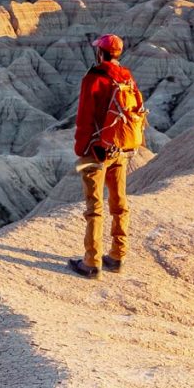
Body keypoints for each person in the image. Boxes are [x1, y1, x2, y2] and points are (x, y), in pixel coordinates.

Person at [69, 33, 139, 278]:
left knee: (94, 207)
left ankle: (91, 262)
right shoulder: (127, 77)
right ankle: (118, 255)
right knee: (119, 203)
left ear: (100, 53)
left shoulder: (94, 78)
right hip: (120, 147)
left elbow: (84, 116)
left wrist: (82, 149)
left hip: (97, 150)